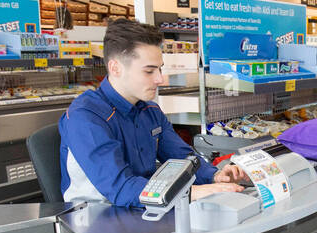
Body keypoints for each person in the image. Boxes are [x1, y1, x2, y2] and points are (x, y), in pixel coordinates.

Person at [60, 18, 246, 207]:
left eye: (160, 69)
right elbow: (121, 188)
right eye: (149, 71)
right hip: (95, 217)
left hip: (145, 206)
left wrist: (214, 176)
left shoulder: (150, 110)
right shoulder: (85, 117)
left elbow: (182, 157)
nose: (159, 79)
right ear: (115, 68)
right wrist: (193, 192)